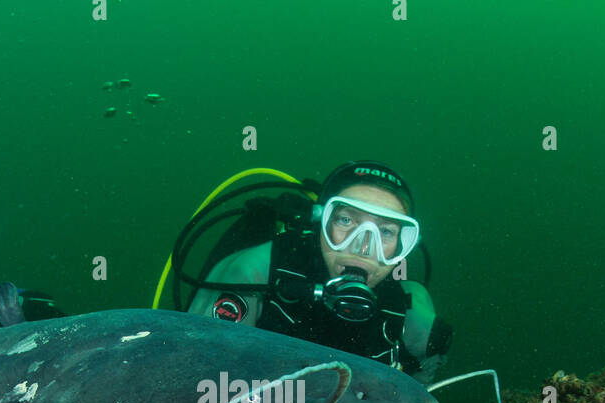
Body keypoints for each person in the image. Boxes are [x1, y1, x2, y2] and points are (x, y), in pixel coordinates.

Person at [185, 161, 453, 383]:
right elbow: (192, 379)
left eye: (386, 232)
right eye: (346, 220)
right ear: (320, 222)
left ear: (403, 245)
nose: (364, 247)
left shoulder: (413, 316)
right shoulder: (252, 275)